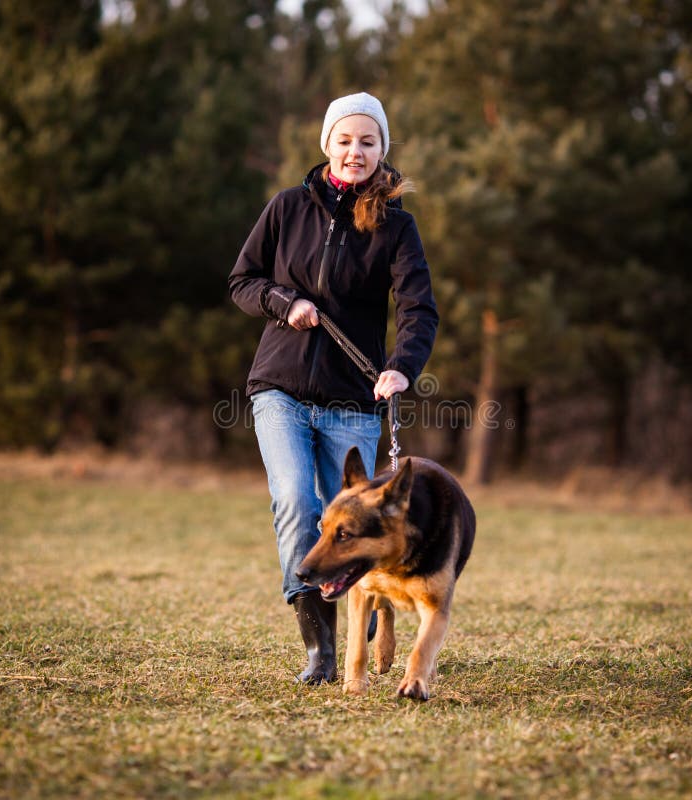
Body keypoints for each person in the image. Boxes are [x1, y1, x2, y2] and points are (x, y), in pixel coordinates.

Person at [228, 92, 438, 684]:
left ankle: (354, 605)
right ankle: (319, 648)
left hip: (353, 397)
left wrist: (401, 366)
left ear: (381, 151)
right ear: (326, 145)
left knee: (346, 516)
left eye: (368, 142)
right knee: (296, 500)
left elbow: (419, 309)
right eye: (344, 140)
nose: (355, 151)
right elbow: (242, 280)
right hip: (280, 387)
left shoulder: (396, 226)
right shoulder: (288, 207)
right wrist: (283, 301)